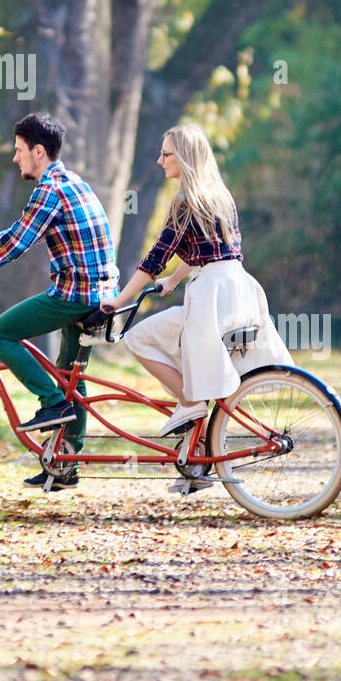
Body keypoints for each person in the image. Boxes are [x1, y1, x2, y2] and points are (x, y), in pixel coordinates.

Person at [0, 112, 118, 491]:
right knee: (72, 375)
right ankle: (65, 461)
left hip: (75, 294)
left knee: (0, 334)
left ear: (39, 151)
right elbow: (27, 230)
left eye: (19, 150)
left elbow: (17, 247)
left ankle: (52, 403)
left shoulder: (48, 190)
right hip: (99, 293)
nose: (15, 158)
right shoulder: (71, 183)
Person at [101, 124, 293, 447]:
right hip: (240, 290)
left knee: (138, 338)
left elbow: (154, 259)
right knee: (186, 351)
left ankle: (191, 405)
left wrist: (118, 301)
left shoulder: (185, 201)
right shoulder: (221, 197)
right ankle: (198, 452)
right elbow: (208, 251)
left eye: (166, 155)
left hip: (211, 298)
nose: (160, 161)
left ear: (185, 158)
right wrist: (174, 281)